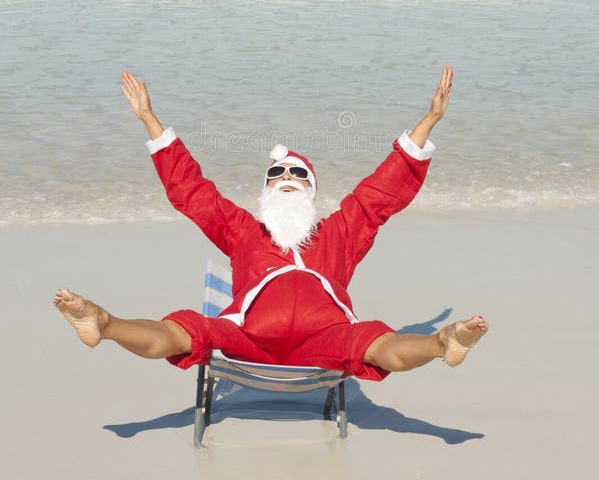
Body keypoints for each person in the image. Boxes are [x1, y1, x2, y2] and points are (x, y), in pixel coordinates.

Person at [54, 67, 488, 378]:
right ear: (264, 191)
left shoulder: (340, 231)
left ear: (311, 192)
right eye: (276, 175)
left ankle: (441, 342)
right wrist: (150, 120)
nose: (286, 178)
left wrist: (429, 119)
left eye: (298, 175)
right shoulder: (243, 229)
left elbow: (382, 191)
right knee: (187, 328)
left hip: (327, 335)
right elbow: (192, 192)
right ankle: (104, 323)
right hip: (247, 335)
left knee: (376, 341)